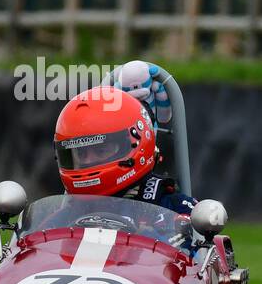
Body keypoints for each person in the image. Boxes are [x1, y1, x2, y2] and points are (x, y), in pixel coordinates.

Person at [53, 86, 195, 216]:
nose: (89, 162)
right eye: (81, 155)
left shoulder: (171, 207)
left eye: (101, 151)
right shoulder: (64, 216)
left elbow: (205, 231)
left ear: (135, 142)